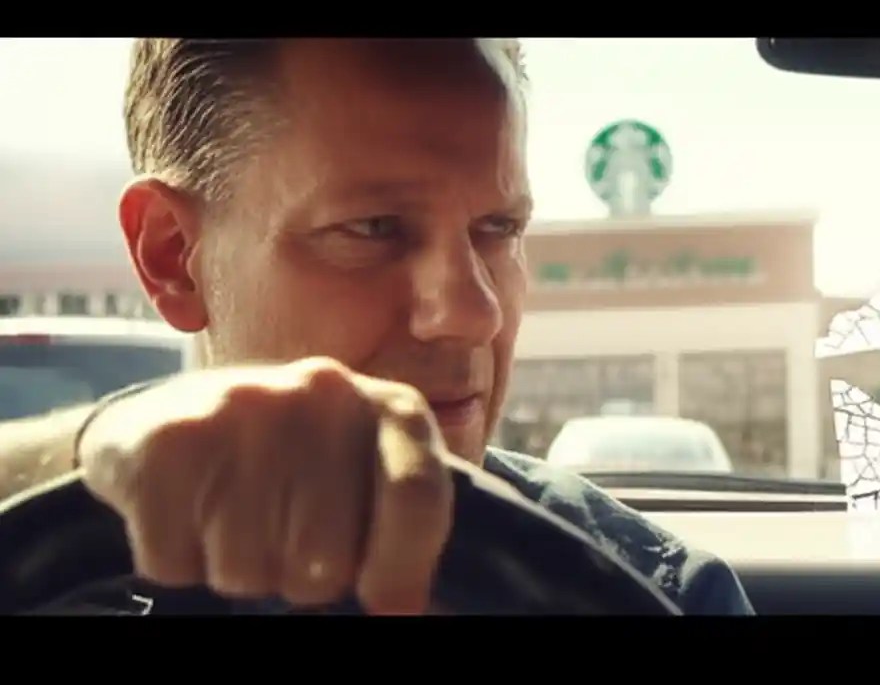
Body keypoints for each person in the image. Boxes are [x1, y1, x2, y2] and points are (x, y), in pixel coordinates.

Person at [0, 38, 755, 616]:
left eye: (498, 227)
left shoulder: (660, 589)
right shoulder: (57, 580)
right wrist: (89, 457)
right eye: (374, 228)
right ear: (173, 255)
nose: (473, 311)